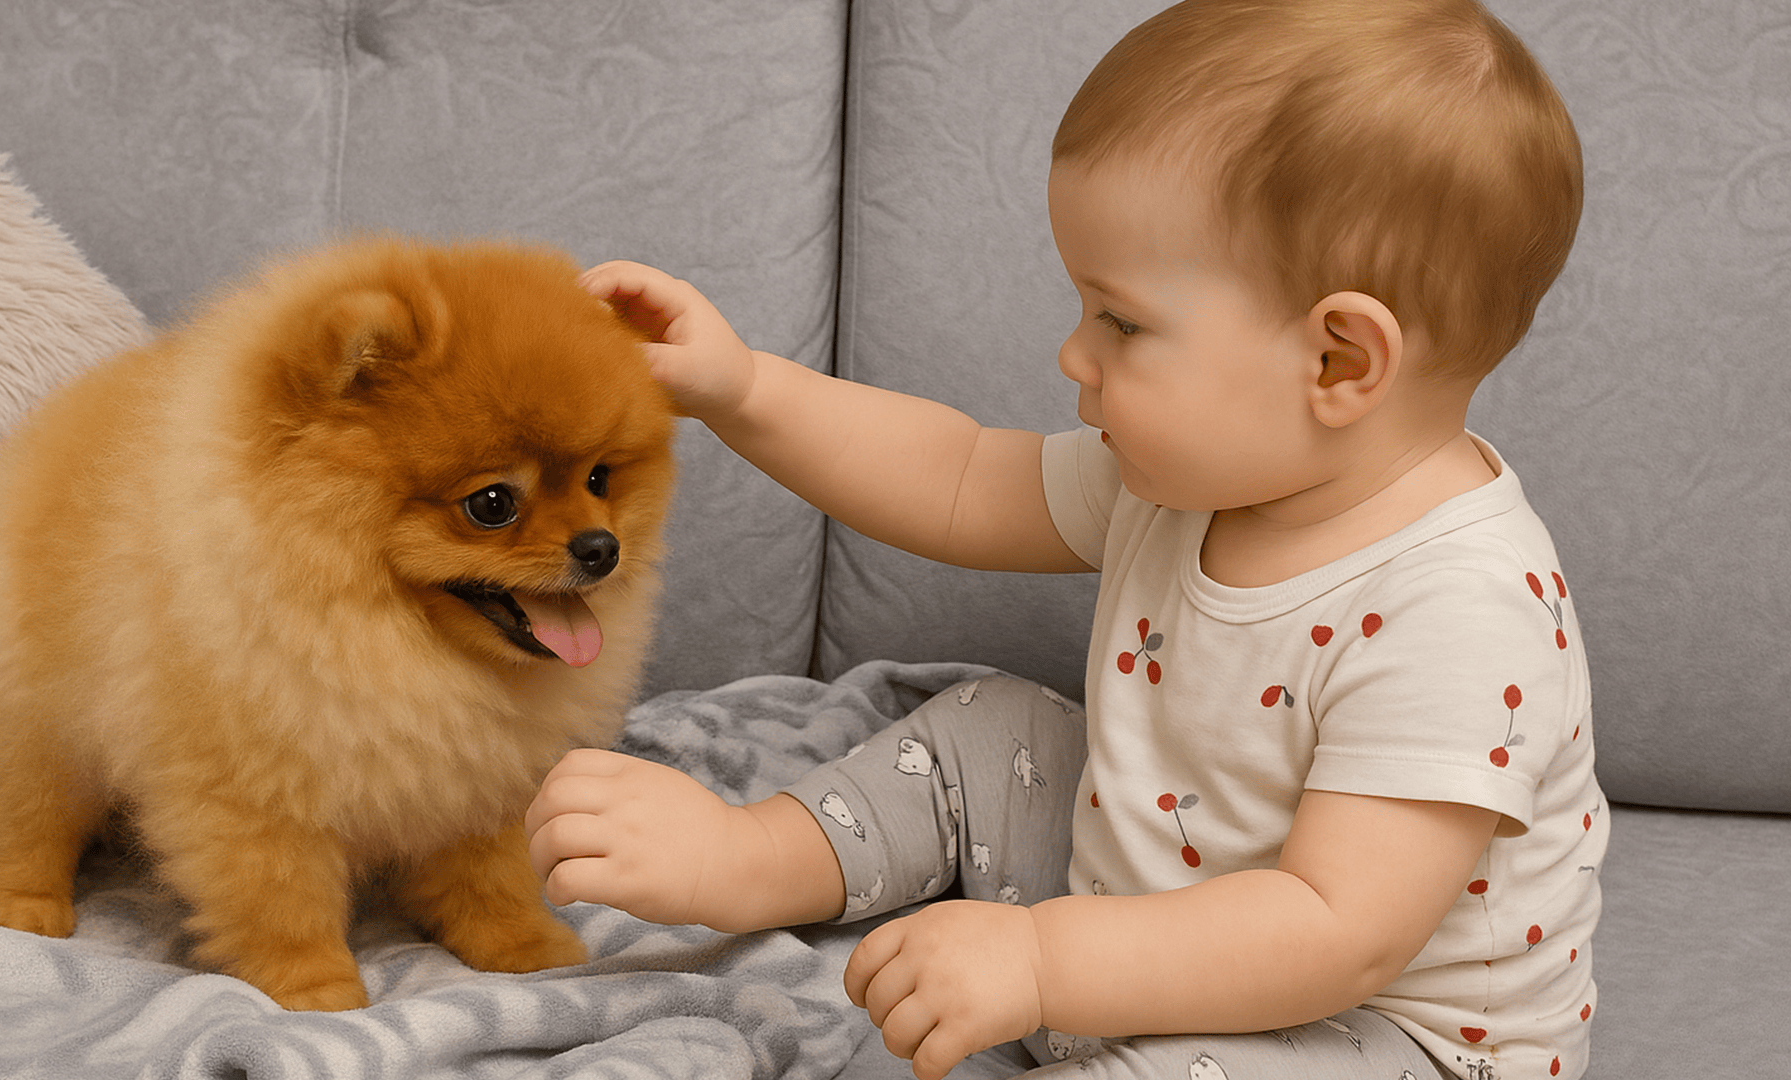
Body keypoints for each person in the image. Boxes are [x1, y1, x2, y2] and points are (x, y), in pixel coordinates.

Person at [525, 1, 1605, 1077]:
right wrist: (746, 388)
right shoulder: (1194, 478)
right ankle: (752, 857)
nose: (1073, 355)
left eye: (1121, 322)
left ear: (1338, 362)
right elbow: (954, 477)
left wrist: (1038, 958)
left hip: (1369, 1028)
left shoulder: (1460, 610)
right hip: (1142, 898)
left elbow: (1335, 931)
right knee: (992, 726)